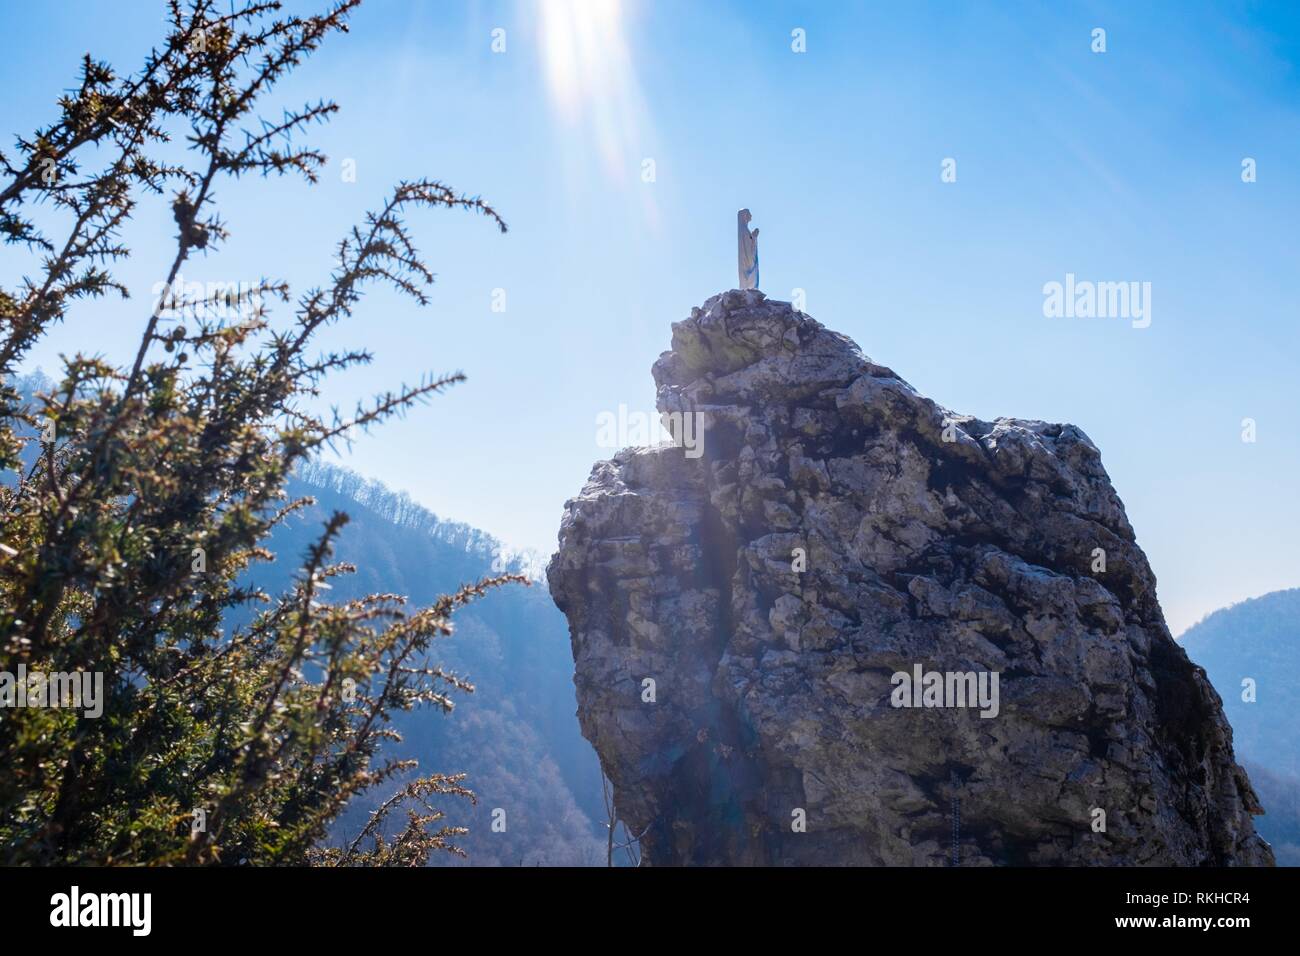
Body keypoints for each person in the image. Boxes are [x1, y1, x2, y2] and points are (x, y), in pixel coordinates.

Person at [737, 208, 760, 290]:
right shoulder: (744, 230)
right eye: (749, 213)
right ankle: (749, 286)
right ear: (745, 215)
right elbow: (747, 249)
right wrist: (754, 237)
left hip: (748, 259)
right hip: (747, 260)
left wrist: (753, 237)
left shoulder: (744, 229)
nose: (751, 216)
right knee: (750, 272)